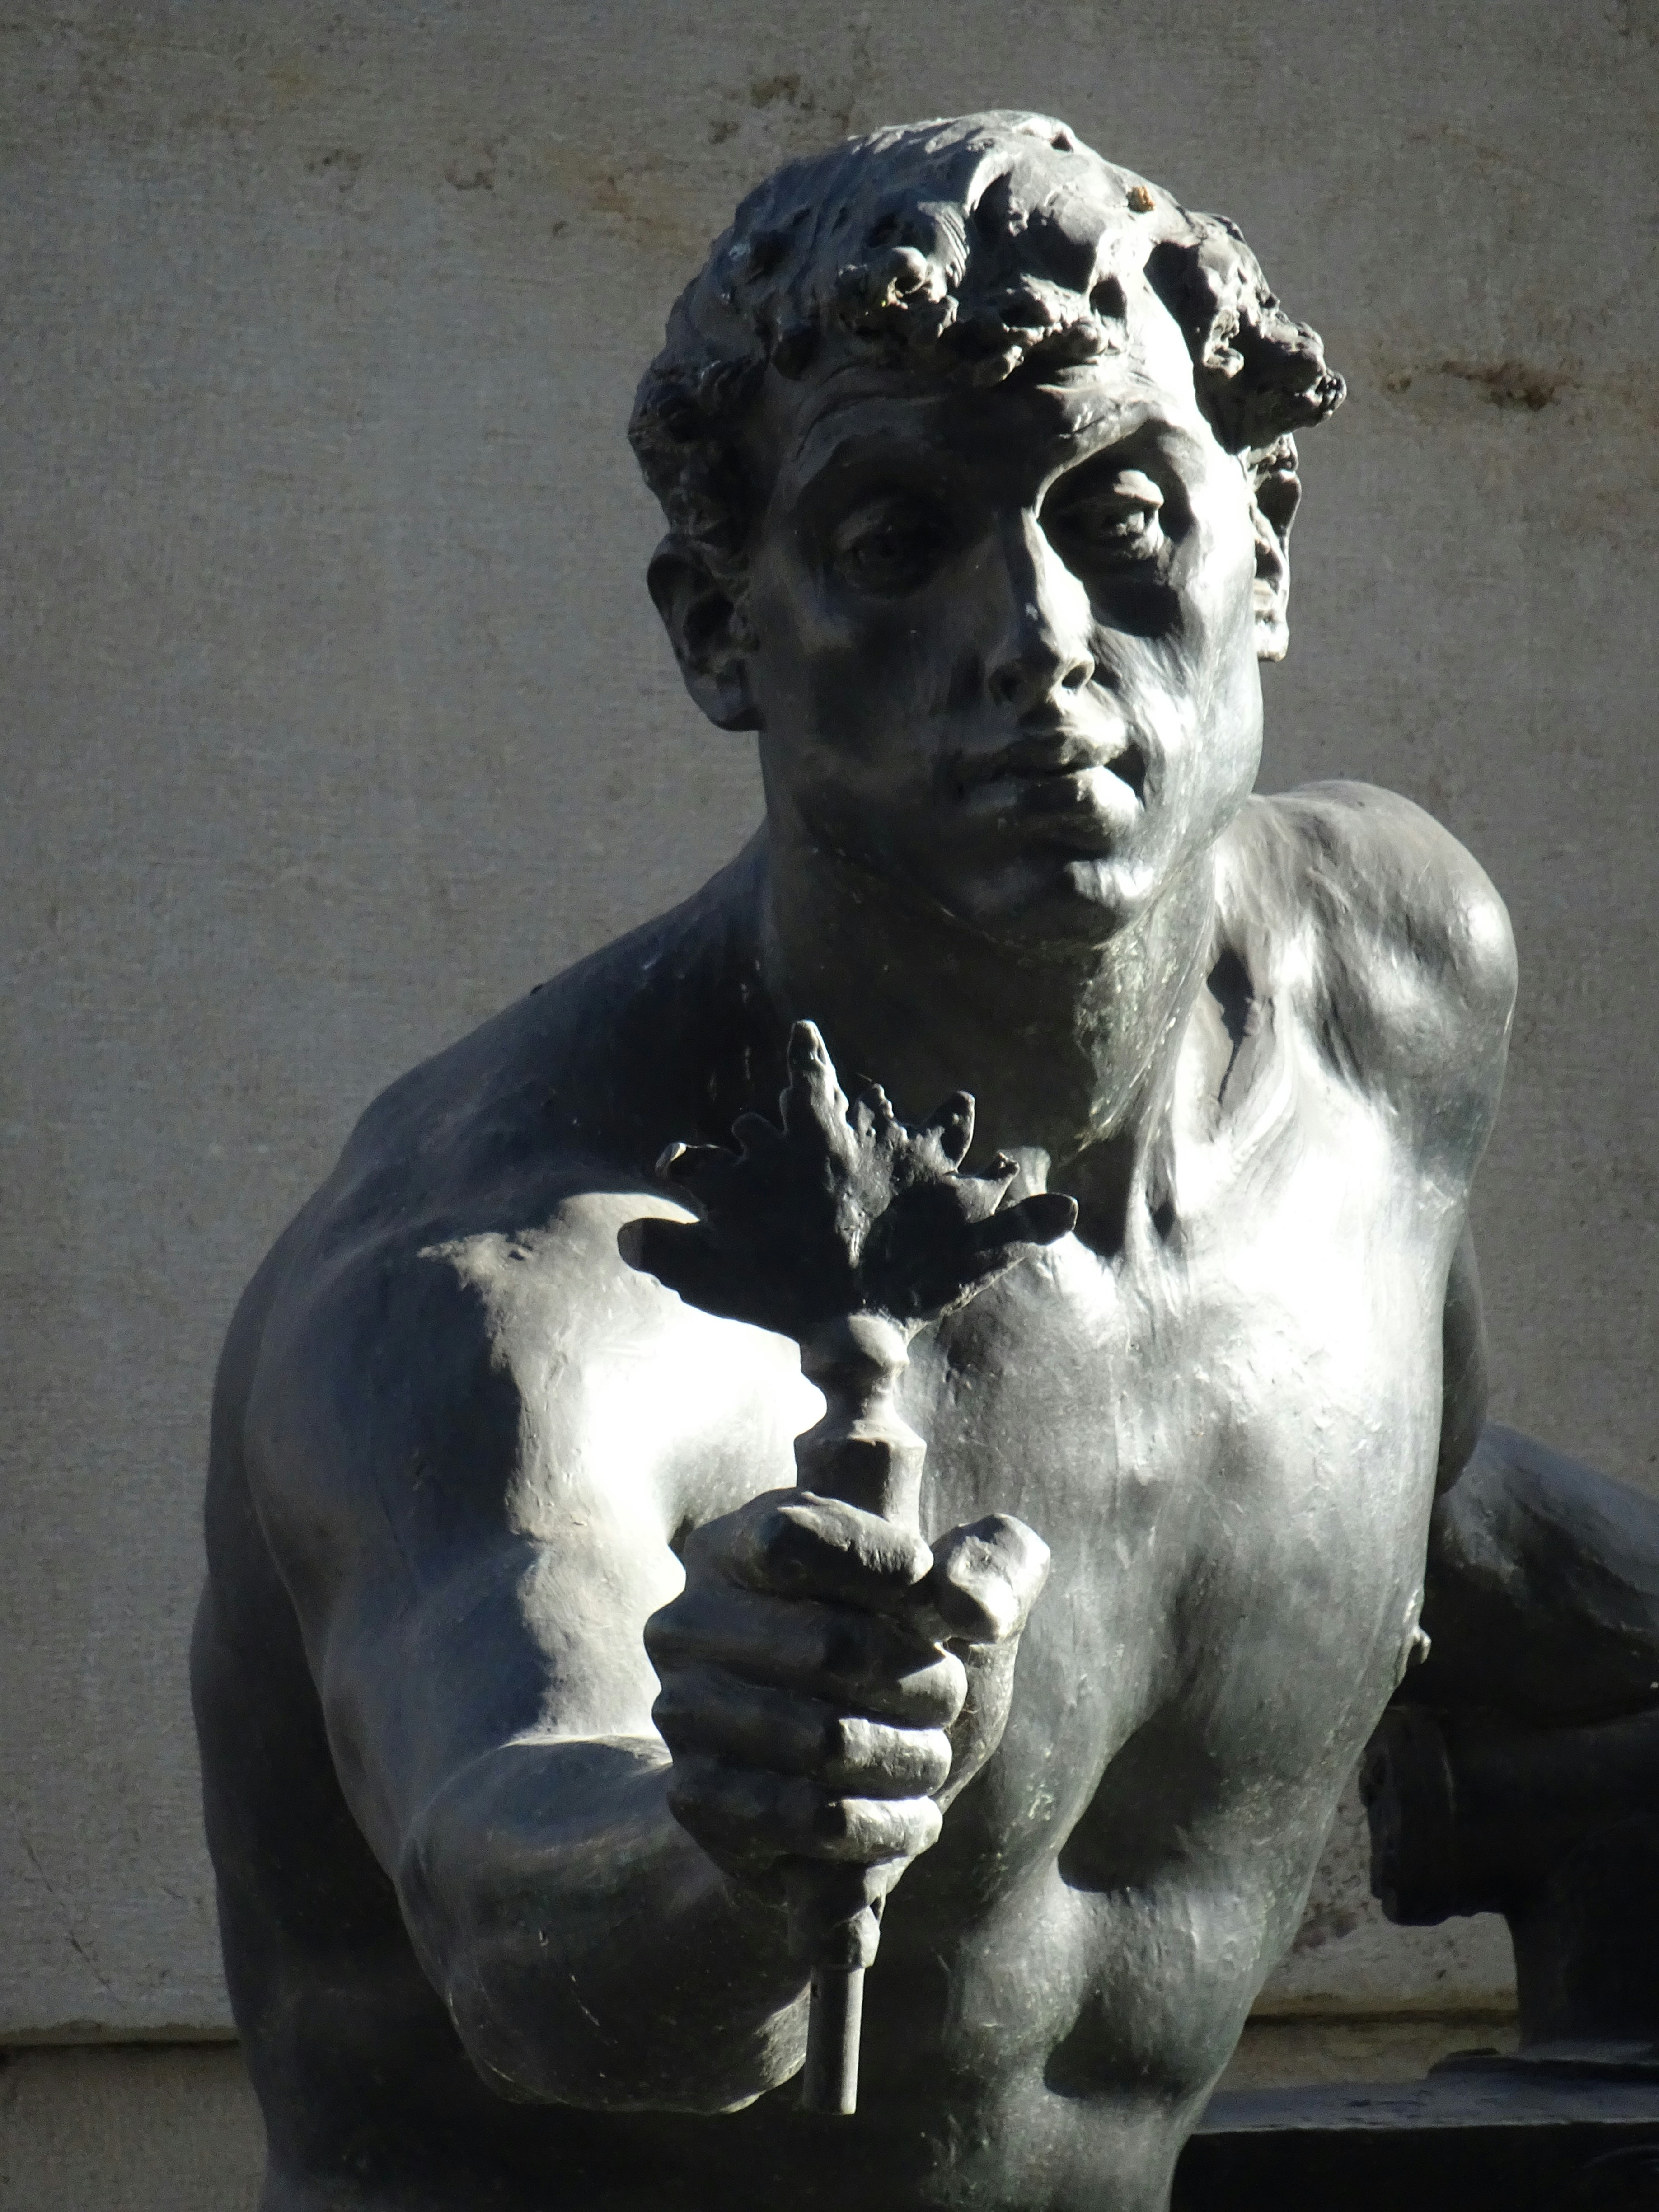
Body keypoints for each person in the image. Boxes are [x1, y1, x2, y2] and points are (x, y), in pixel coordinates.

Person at [194, 112, 1534, 2210]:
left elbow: (1432, 1506)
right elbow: (533, 1942)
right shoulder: (510, 1299)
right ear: (723, 631)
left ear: (1262, 554)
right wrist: (731, 1846)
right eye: (900, 544)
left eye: (1122, 519)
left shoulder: (1393, 991)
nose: (1041, 636)